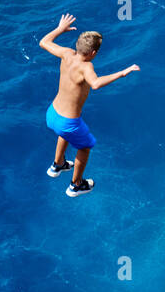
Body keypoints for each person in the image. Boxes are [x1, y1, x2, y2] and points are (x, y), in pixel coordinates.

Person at [38, 13, 140, 197]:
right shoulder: (86, 67)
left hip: (52, 113)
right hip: (68, 122)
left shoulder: (66, 53)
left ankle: (57, 164)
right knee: (85, 147)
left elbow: (44, 42)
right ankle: (76, 185)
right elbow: (95, 84)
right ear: (93, 53)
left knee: (65, 134)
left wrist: (60, 29)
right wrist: (124, 73)